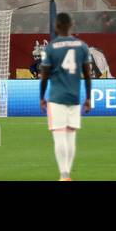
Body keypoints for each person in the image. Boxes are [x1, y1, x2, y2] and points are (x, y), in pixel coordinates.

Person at [39, 13, 93, 181]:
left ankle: (64, 174)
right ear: (72, 25)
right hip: (75, 97)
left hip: (56, 98)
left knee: (59, 135)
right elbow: (87, 74)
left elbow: (44, 75)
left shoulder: (51, 47)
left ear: (56, 26)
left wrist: (42, 96)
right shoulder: (82, 46)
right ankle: (67, 174)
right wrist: (89, 98)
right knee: (70, 135)